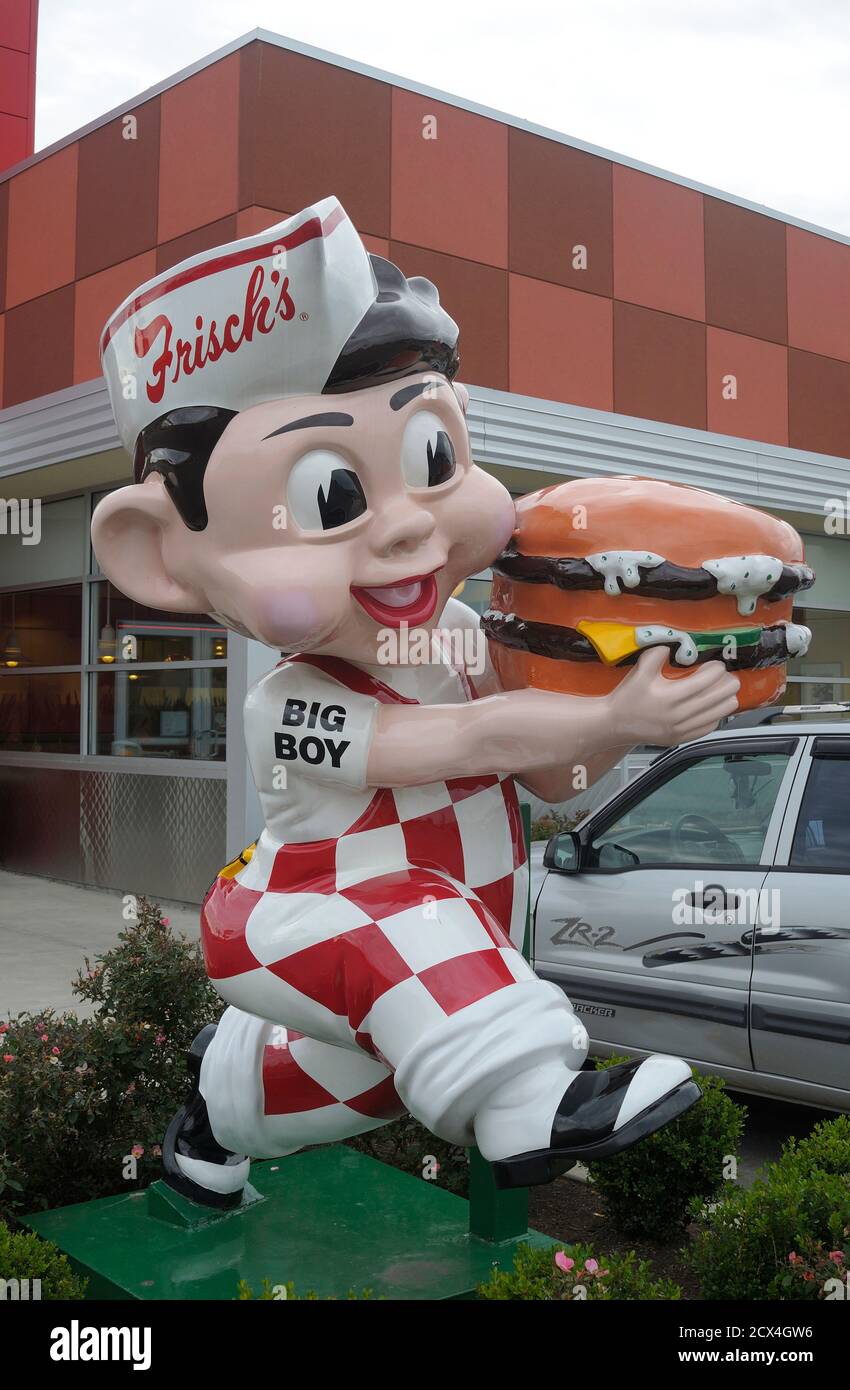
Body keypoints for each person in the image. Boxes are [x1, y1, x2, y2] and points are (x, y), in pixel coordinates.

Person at [92, 197, 739, 1208]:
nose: (404, 530)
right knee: (417, 923)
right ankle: (531, 1104)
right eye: (329, 498)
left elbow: (549, 778)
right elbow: (459, 738)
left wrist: (612, 708)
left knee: (392, 1072)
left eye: (433, 459)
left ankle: (214, 1111)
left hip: (444, 947)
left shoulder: (468, 642)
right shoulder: (292, 699)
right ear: (160, 556)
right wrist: (622, 716)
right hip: (289, 914)